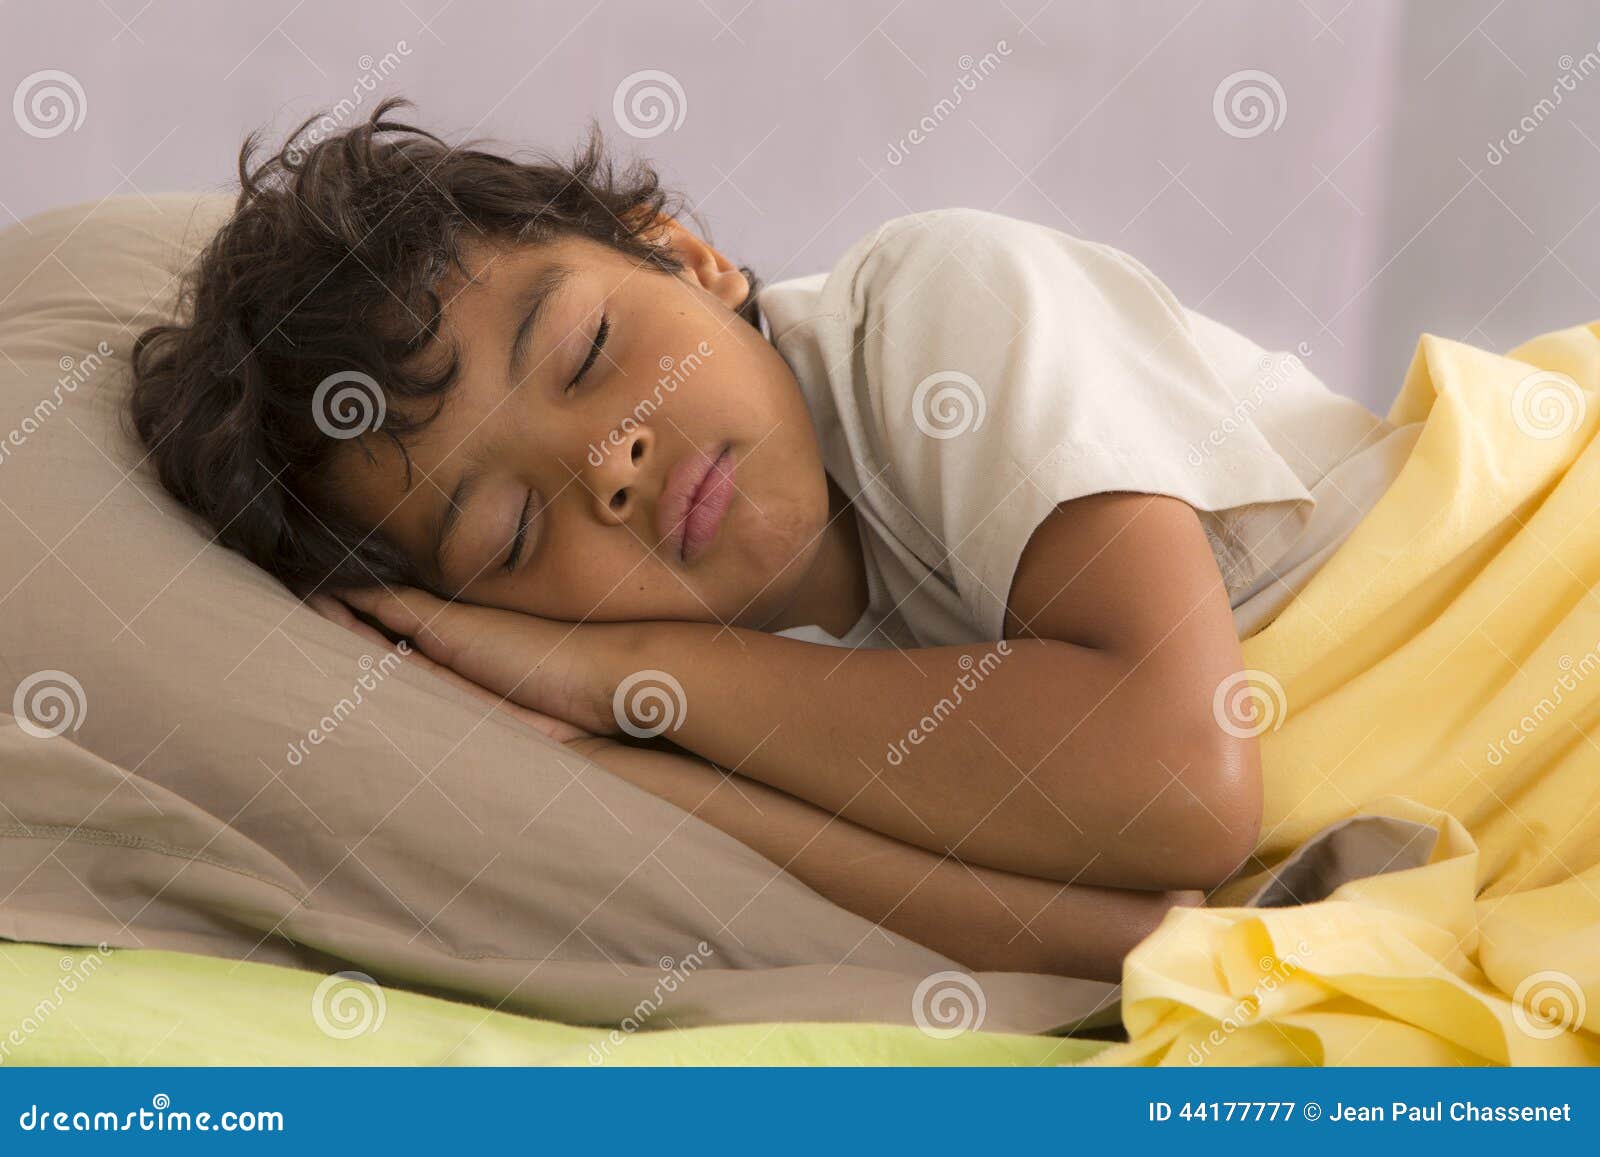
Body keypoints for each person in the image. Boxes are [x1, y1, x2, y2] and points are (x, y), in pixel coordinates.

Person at [128, 98, 1416, 981]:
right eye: (513, 529)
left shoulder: (935, 310)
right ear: (497, 618)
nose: (610, 462)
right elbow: (1144, 938)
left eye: (587, 354)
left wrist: (632, 680)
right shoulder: (724, 701)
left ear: (688, 257)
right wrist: (639, 765)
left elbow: (1176, 787)